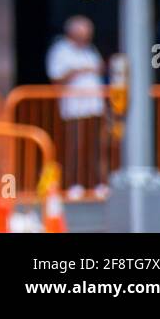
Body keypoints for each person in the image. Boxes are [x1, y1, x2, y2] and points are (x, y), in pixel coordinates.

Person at [46, 15, 105, 194]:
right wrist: (79, 71)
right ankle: (73, 183)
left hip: (93, 107)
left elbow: (99, 68)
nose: (87, 37)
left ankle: (96, 182)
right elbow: (56, 77)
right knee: (75, 147)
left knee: (95, 147)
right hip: (74, 109)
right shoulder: (60, 51)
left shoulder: (90, 50)